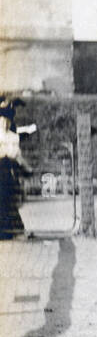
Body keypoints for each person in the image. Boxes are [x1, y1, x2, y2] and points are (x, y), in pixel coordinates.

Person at [0, 102, 29, 240]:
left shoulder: (12, 137)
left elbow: (16, 154)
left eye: (6, 120)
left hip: (6, 170)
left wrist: (26, 167)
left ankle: (14, 230)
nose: (4, 123)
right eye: (1, 119)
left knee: (8, 199)